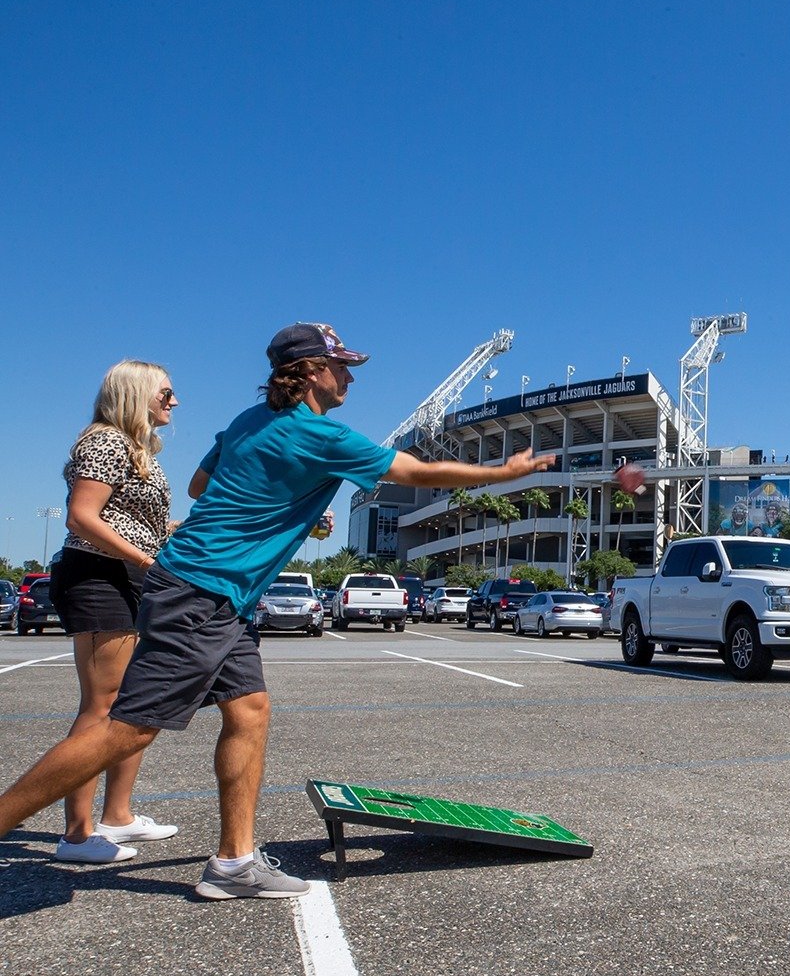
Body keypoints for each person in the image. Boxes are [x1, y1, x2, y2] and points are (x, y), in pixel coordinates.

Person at [0, 322, 555, 901]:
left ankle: (235, 864)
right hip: (201, 589)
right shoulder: (319, 435)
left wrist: (284, 500)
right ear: (313, 371)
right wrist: (501, 472)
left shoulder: (247, 421)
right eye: (342, 366)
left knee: (250, 710)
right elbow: (414, 472)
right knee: (129, 730)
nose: (349, 377)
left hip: (219, 596)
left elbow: (198, 485)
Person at [49, 361, 180, 864]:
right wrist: (145, 558)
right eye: (166, 392)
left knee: (133, 703)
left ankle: (118, 817)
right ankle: (76, 836)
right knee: (101, 706)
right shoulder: (105, 442)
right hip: (100, 576)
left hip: (128, 574)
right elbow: (82, 516)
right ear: (136, 393)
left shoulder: (136, 448)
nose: (175, 401)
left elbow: (141, 522)